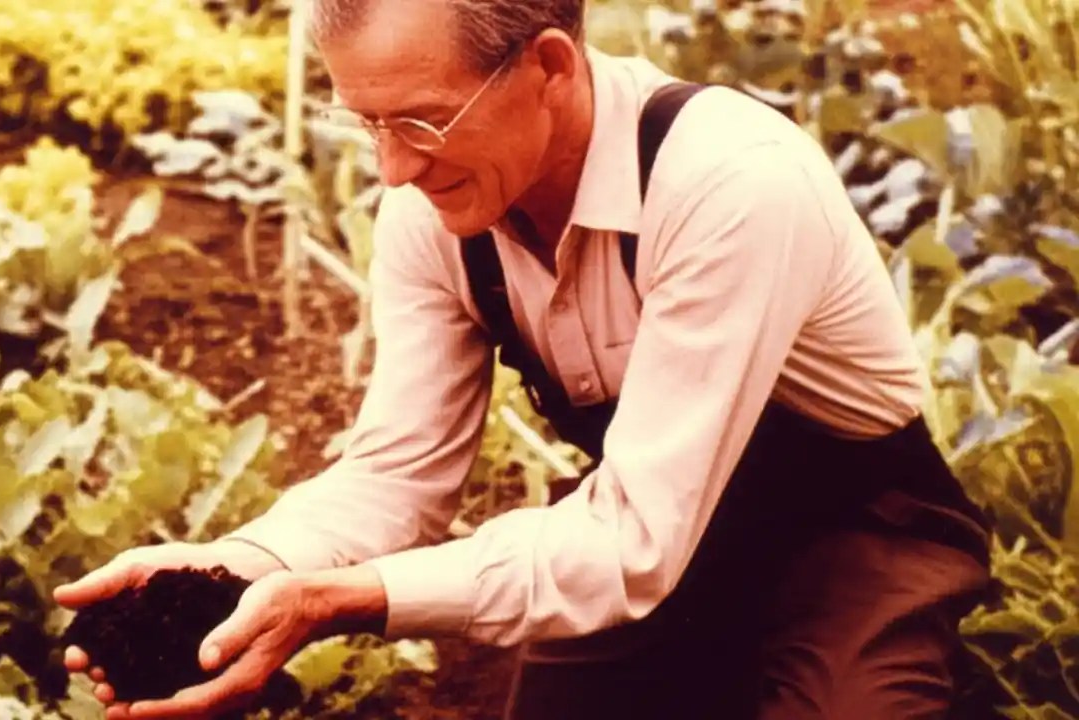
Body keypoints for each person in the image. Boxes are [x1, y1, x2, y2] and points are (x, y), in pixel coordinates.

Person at [53, 1, 994, 718]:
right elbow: (396, 472)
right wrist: (236, 570)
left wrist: (348, 599)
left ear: (548, 66)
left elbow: (633, 543)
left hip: (854, 531)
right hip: (642, 517)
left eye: (419, 121)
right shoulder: (435, 212)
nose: (393, 169)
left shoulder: (728, 182)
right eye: (365, 124)